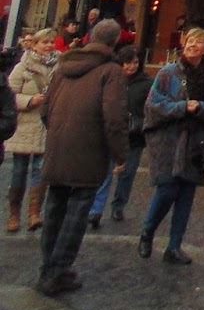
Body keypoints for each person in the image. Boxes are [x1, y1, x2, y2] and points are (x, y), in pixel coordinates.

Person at [36, 18, 128, 294]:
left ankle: (48, 267)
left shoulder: (64, 67)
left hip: (58, 145)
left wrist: (58, 131)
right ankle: (57, 271)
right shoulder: (111, 71)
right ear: (115, 42)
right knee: (76, 214)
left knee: (55, 208)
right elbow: (114, 118)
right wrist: (120, 154)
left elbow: (45, 110)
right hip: (89, 150)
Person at [137, 25, 204, 265]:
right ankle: (148, 231)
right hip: (168, 139)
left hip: (196, 141)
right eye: (189, 41)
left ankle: (174, 246)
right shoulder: (168, 74)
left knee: (186, 193)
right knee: (167, 188)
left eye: (198, 42)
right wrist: (180, 107)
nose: (192, 45)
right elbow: (153, 105)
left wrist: (201, 107)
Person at [89, 46, 153, 228]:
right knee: (105, 173)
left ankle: (118, 205)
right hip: (112, 133)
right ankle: (96, 209)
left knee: (127, 174)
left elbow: (150, 108)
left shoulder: (147, 83)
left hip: (134, 136)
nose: (132, 66)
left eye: (135, 62)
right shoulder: (111, 80)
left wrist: (141, 122)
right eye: (128, 62)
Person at [8, 29, 56, 233]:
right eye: (44, 42)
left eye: (51, 42)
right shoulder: (22, 67)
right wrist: (29, 101)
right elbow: (9, 96)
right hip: (24, 126)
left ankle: (34, 214)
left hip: (47, 126)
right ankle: (14, 215)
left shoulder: (60, 66)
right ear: (35, 45)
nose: (49, 45)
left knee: (40, 171)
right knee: (19, 172)